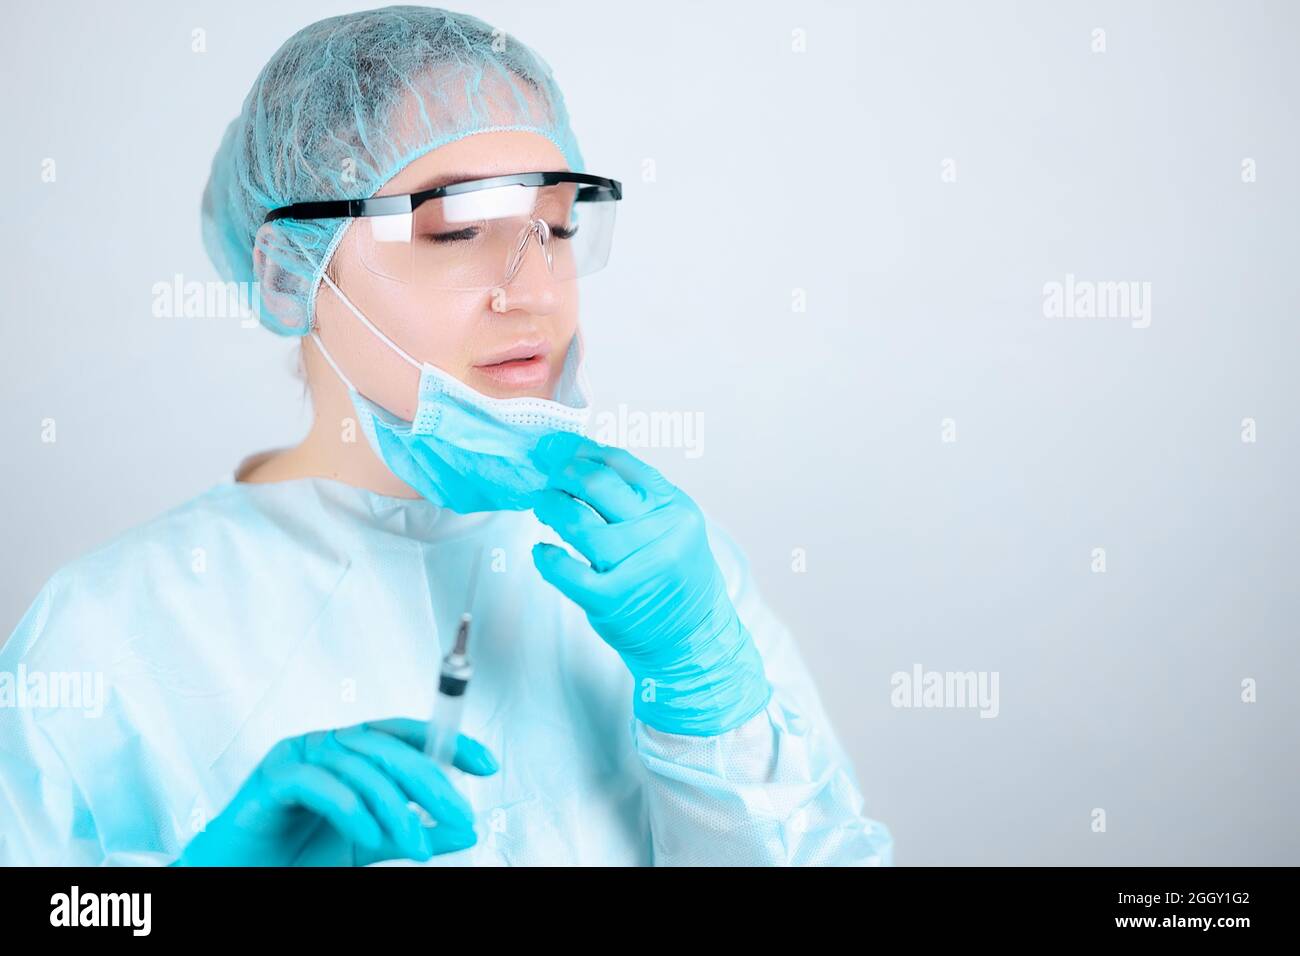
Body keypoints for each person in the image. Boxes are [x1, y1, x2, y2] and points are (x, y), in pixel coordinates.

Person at [0, 5, 892, 866]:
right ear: (286, 276)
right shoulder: (112, 632)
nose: (533, 290)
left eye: (556, 227)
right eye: (457, 231)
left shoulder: (669, 581)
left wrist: (709, 712)